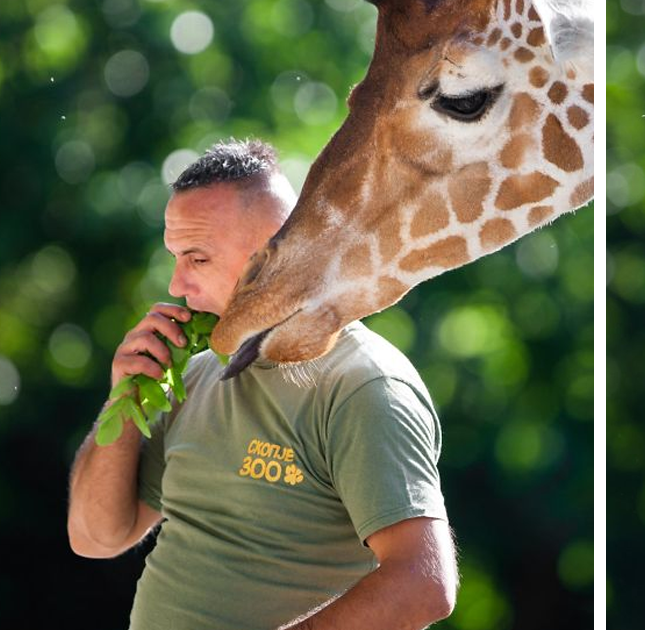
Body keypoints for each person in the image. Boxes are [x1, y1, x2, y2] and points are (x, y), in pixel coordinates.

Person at [67, 139, 457, 630]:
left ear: (274, 255)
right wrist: (123, 399)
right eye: (175, 257)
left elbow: (423, 584)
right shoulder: (196, 375)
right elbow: (96, 538)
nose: (176, 285)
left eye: (197, 258)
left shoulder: (363, 384)